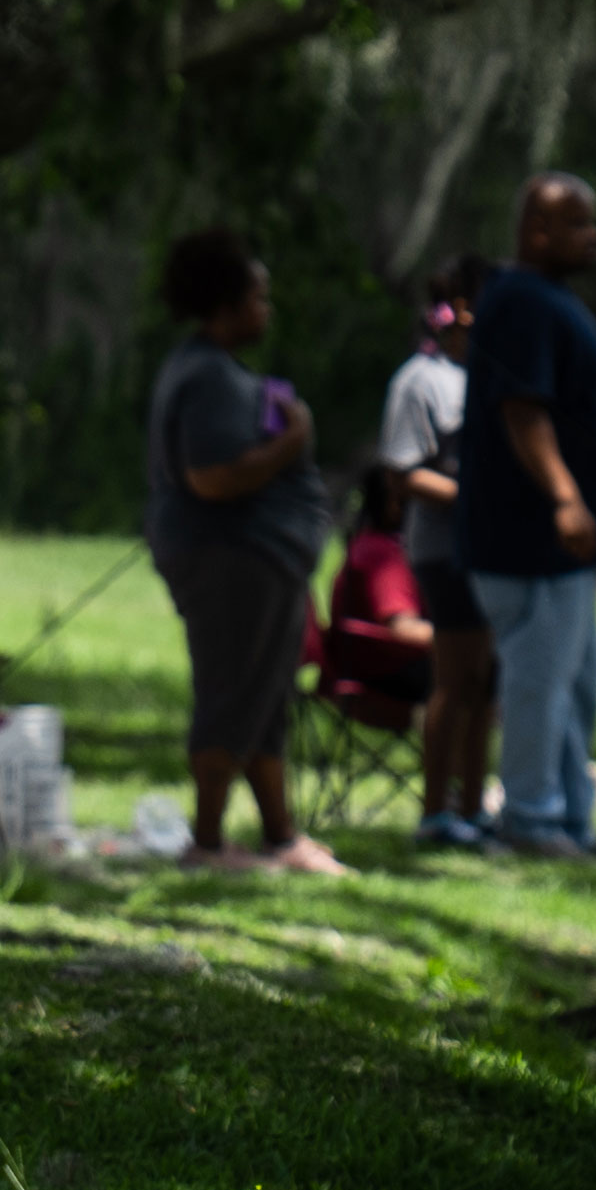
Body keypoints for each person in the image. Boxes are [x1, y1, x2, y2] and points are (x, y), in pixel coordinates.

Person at [458, 175, 596, 860]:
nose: (594, 236)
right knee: (538, 683)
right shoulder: (521, 299)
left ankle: (570, 819)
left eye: (593, 223)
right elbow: (522, 409)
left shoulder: (545, 301)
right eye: (578, 224)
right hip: (532, 541)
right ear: (537, 230)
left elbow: (569, 379)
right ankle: (526, 819)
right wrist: (565, 498)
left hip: (564, 554)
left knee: (576, 686)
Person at [145, 227, 345, 874]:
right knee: (230, 692)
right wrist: (293, 442)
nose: (267, 310)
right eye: (259, 297)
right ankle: (206, 844)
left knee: (266, 694)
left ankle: (280, 835)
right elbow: (213, 476)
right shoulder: (206, 376)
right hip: (231, 561)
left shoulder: (214, 372)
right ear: (227, 305)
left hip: (264, 562)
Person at [376, 256, 496, 849]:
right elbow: (402, 474)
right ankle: (434, 813)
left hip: (491, 550)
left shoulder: (488, 375)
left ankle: (474, 808)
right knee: (454, 680)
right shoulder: (419, 381)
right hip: (443, 551)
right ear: (460, 314)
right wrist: (475, 499)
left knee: (487, 684)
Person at [326, 465, 433, 702]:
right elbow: (403, 629)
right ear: (394, 502)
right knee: (473, 668)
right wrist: (459, 640)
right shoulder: (382, 554)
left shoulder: (367, 544)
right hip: (383, 675)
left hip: (364, 666)